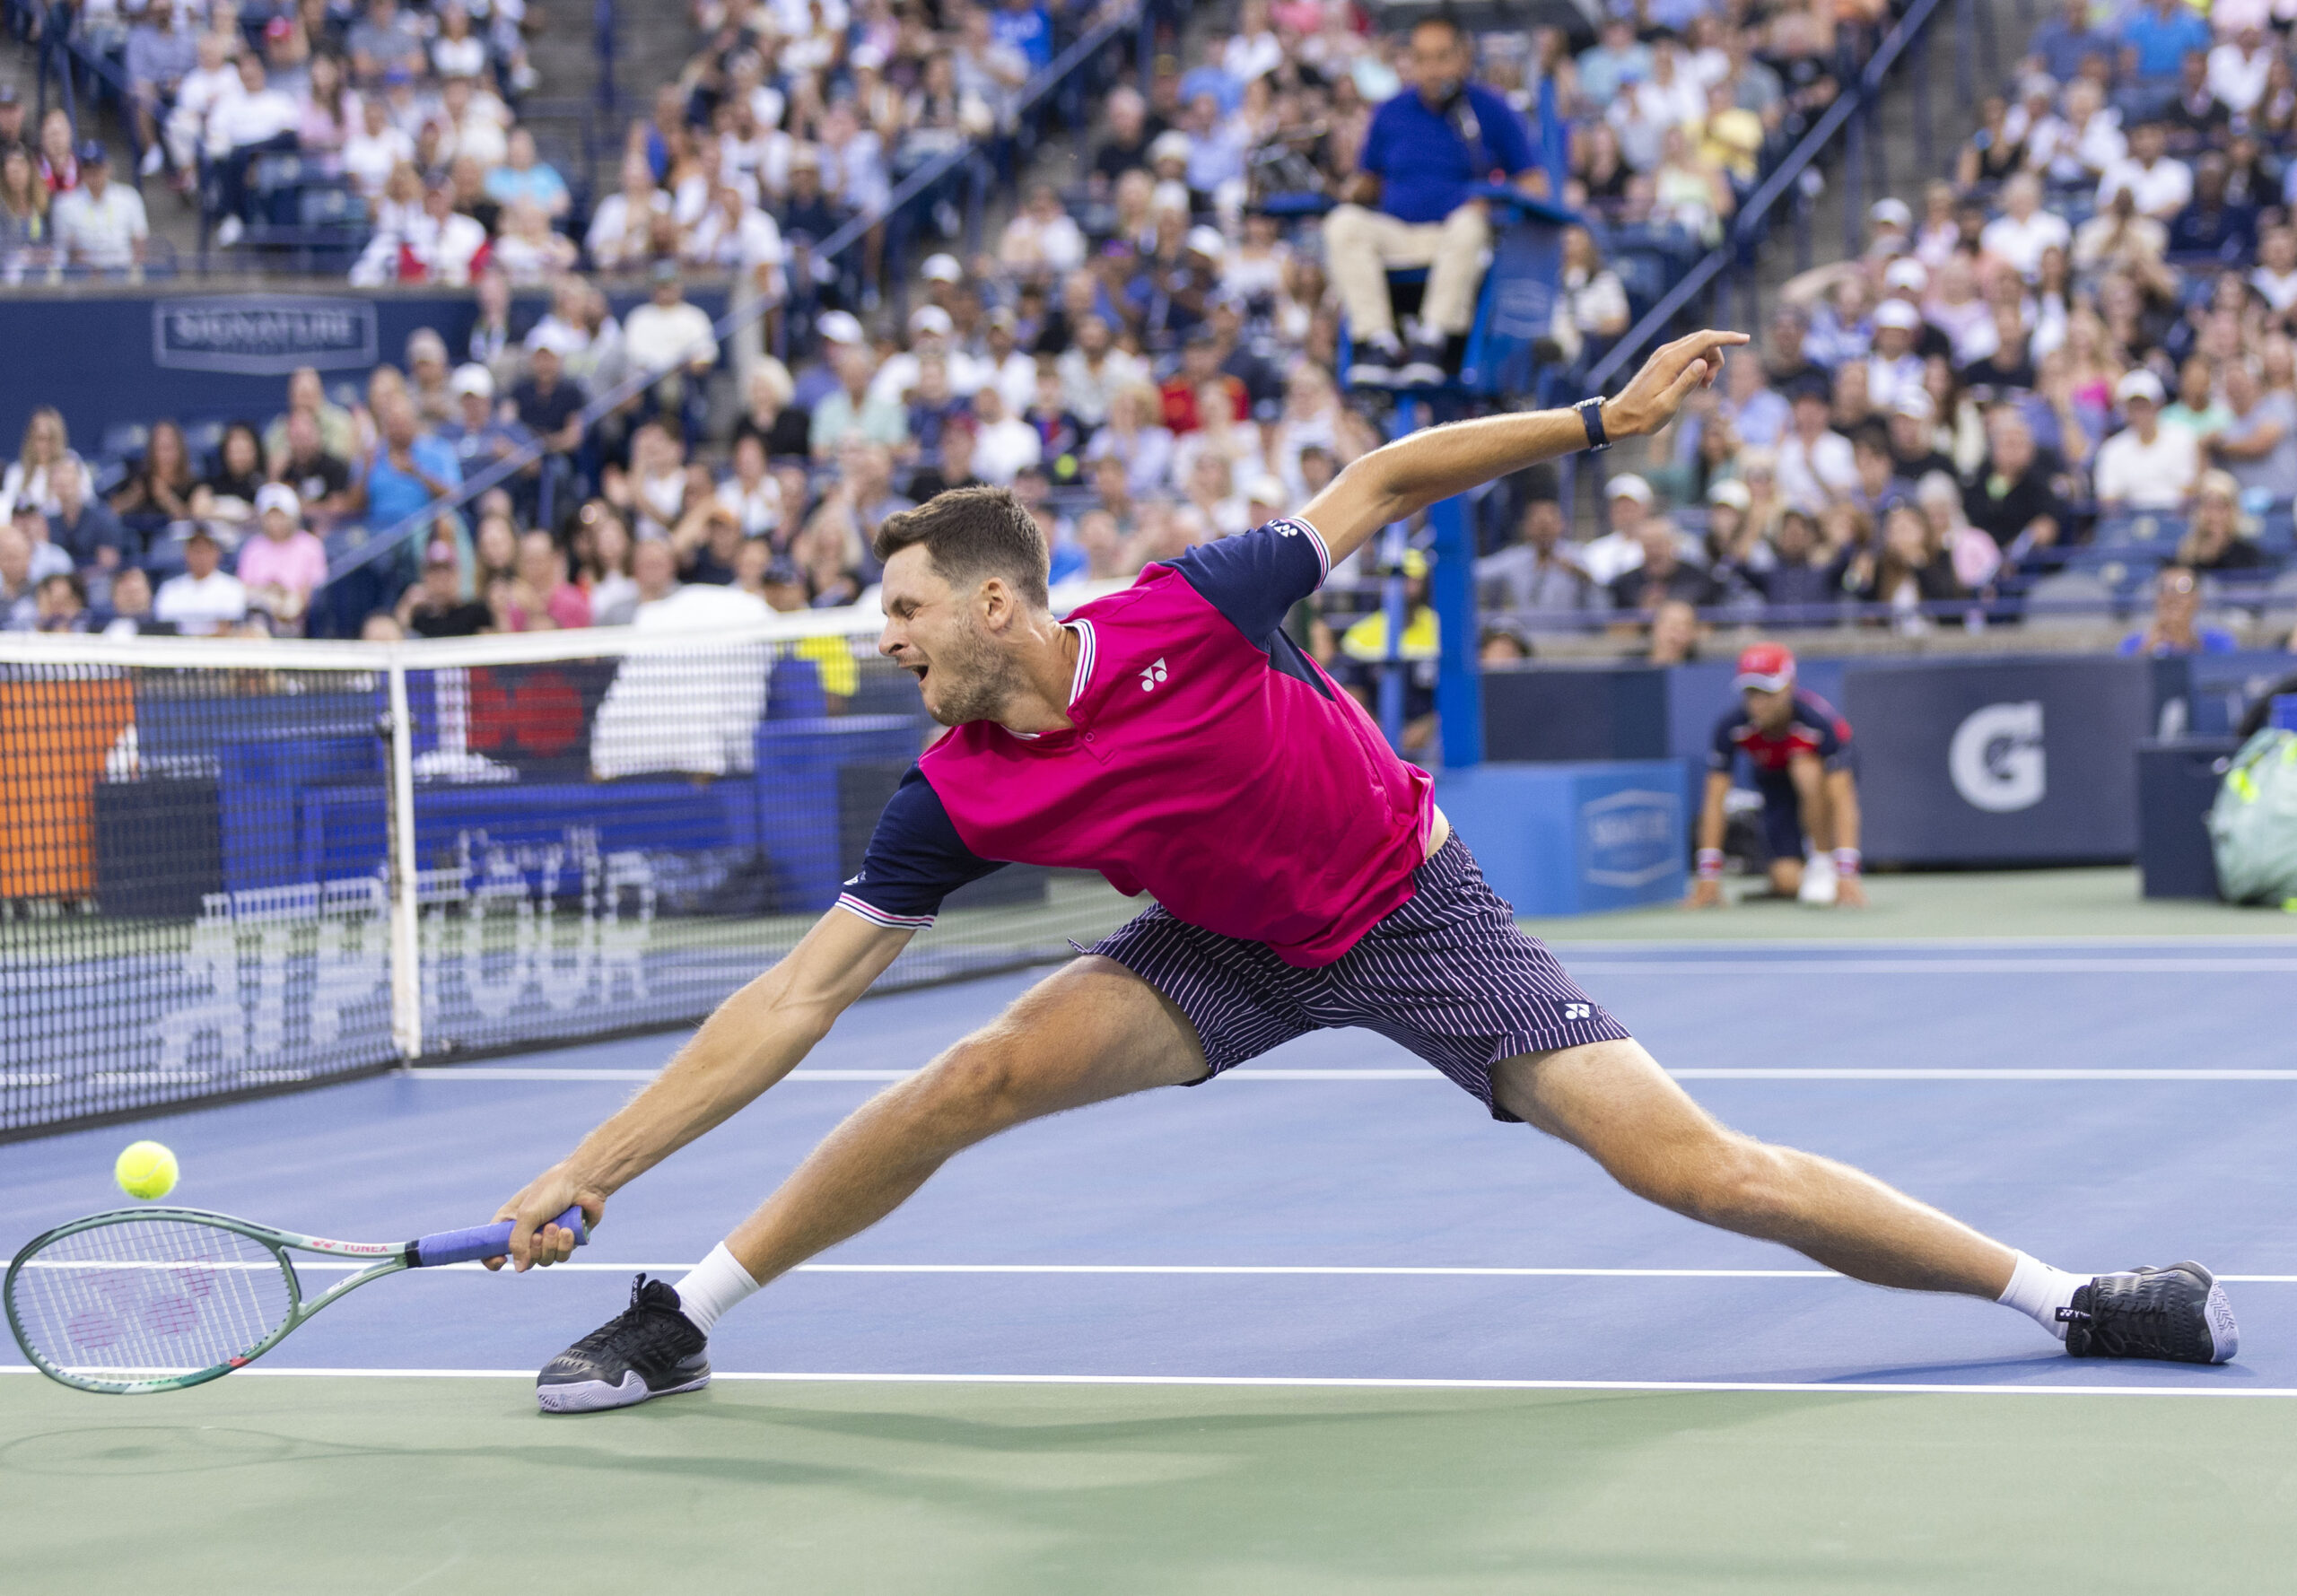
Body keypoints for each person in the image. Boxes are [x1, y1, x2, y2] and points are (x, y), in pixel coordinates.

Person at [482, 330, 2236, 1416]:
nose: (891, 648)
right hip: (1217, 948)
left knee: (1700, 1173)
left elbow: (1384, 474)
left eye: (907, 617)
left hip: (1411, 912)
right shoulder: (953, 787)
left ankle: (2068, 1293)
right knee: (971, 1069)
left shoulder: (1190, 606)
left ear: (999, 601)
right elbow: (793, 995)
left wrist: (1600, 424)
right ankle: (683, 1313)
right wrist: (586, 1164)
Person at [1323, 15, 1541, 388]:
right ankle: (1377, 341)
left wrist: (1492, 204)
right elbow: (1370, 181)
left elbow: (1535, 184)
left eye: (1442, 57)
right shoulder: (1390, 111)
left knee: (1469, 225)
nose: (1432, 69)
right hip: (1399, 234)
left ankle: (1432, 341)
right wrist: (1351, 189)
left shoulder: (1489, 109)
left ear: (1463, 58)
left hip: (1457, 238)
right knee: (1343, 223)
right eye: (1422, 58)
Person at [1692, 642, 1865, 911]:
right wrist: (1708, 873)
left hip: (1820, 787)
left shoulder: (1820, 724)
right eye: (1751, 693)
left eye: (1767, 691)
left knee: (1804, 768)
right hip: (1775, 786)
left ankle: (1821, 861)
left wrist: (1847, 872)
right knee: (1786, 882)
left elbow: (1843, 799)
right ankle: (1803, 871)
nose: (1757, 702)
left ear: (1789, 687)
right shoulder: (1732, 727)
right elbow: (1715, 799)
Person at [236, 484, 328, 632]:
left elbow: (314, 587)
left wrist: (286, 599)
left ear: (293, 516)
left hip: (297, 613)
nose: (275, 522)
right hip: (260, 610)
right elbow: (244, 588)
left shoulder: (311, 545)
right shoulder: (253, 547)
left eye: (280, 516)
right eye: (271, 516)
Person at [48, 143, 146, 270]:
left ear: (108, 168)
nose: (94, 175)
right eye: (88, 170)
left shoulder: (129, 197)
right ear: (81, 171)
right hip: (84, 275)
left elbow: (140, 243)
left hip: (123, 272)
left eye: (98, 169)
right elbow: (68, 250)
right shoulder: (65, 204)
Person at [2120, 565, 2239, 657]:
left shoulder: (2219, 640)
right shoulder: (2133, 643)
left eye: (2183, 589)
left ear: (2197, 599)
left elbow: (2224, 676)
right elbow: (2125, 682)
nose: (2172, 597)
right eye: (2164, 589)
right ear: (2156, 599)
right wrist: (2147, 649)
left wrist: (2189, 643)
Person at [153, 527, 249, 635]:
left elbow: (230, 624)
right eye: (196, 551)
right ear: (186, 553)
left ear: (217, 553)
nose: (200, 557)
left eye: (205, 551)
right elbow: (163, 625)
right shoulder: (170, 588)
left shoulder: (233, 587)